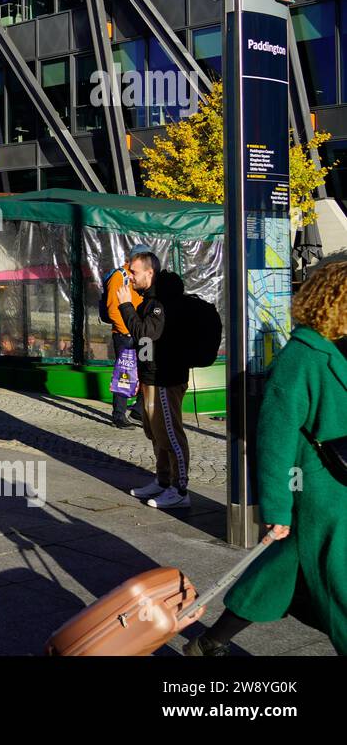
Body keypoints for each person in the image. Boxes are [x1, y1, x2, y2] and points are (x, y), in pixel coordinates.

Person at [186, 261, 347, 656]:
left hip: (337, 487)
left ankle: (209, 642)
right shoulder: (302, 357)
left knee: (282, 568)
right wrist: (278, 507)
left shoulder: (336, 351)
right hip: (319, 491)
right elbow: (275, 438)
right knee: (339, 581)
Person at [117, 251, 191, 509]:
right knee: (154, 431)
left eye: (134, 272)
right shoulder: (148, 301)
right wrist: (138, 374)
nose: (130, 277)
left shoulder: (160, 302)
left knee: (169, 432)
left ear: (149, 272)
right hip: (151, 376)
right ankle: (163, 480)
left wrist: (125, 306)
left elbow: (146, 334)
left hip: (166, 377)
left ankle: (180, 489)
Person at [105, 243, 150, 428]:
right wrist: (126, 329)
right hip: (125, 333)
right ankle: (119, 415)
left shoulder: (141, 277)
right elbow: (112, 308)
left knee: (147, 370)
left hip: (140, 332)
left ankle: (139, 411)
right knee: (124, 373)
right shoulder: (119, 276)